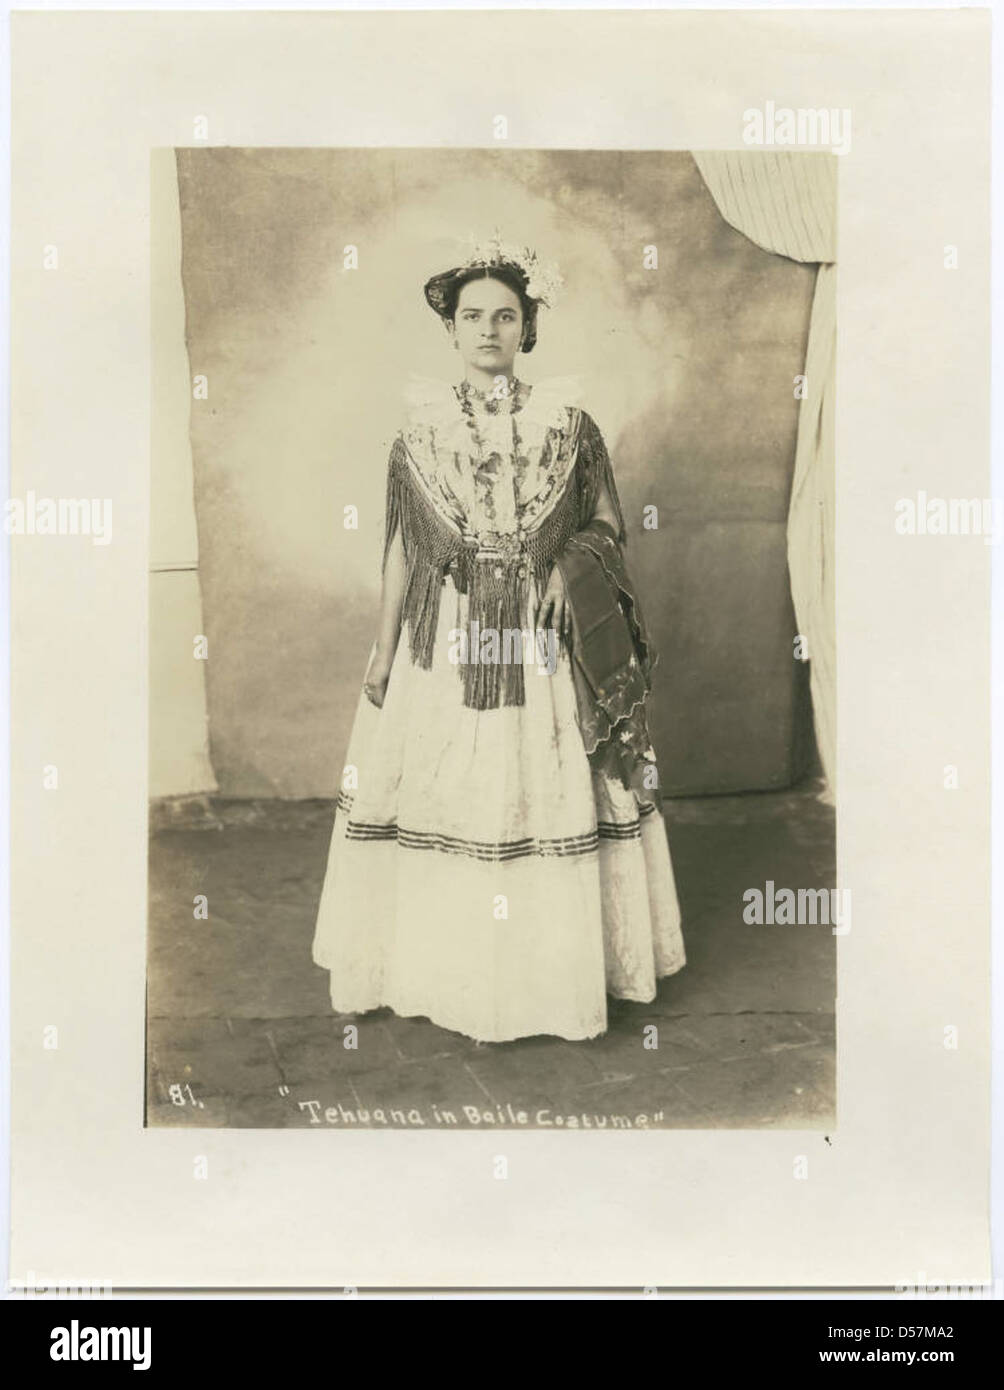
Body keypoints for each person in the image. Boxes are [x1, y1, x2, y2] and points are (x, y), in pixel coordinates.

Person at [311, 236, 685, 1043]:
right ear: (451, 329)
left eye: (505, 316)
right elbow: (401, 549)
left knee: (543, 787)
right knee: (456, 785)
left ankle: (549, 980)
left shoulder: (570, 427)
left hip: (542, 644)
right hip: (446, 639)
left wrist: (567, 571)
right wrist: (381, 652)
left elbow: (607, 525)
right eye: (473, 316)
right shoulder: (418, 435)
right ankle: (447, 975)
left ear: (527, 330)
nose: (489, 330)